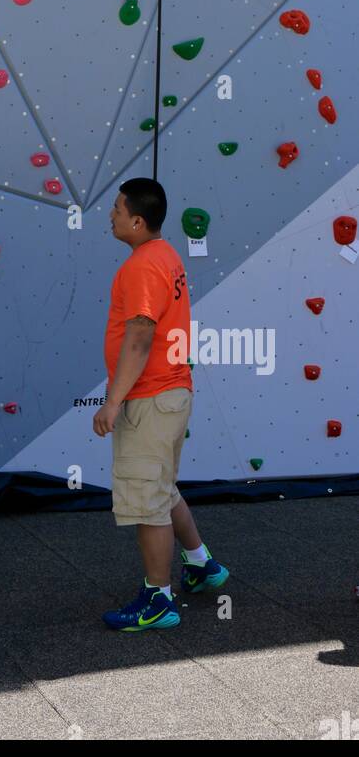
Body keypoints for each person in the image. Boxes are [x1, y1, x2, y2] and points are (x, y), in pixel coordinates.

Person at [94, 178, 229, 631]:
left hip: (151, 396)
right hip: (170, 393)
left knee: (148, 502)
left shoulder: (141, 266)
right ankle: (200, 563)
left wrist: (112, 402)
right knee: (162, 487)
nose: (111, 216)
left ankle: (158, 600)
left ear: (137, 220)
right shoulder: (165, 255)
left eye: (116, 209)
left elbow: (139, 336)